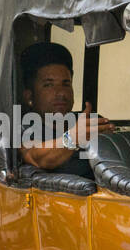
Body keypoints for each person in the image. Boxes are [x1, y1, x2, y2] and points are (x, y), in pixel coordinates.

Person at [17, 42, 114, 178]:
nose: (61, 92)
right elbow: (36, 157)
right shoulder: (23, 128)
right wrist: (73, 138)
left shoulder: (88, 120)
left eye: (66, 84)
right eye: (48, 85)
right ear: (29, 96)